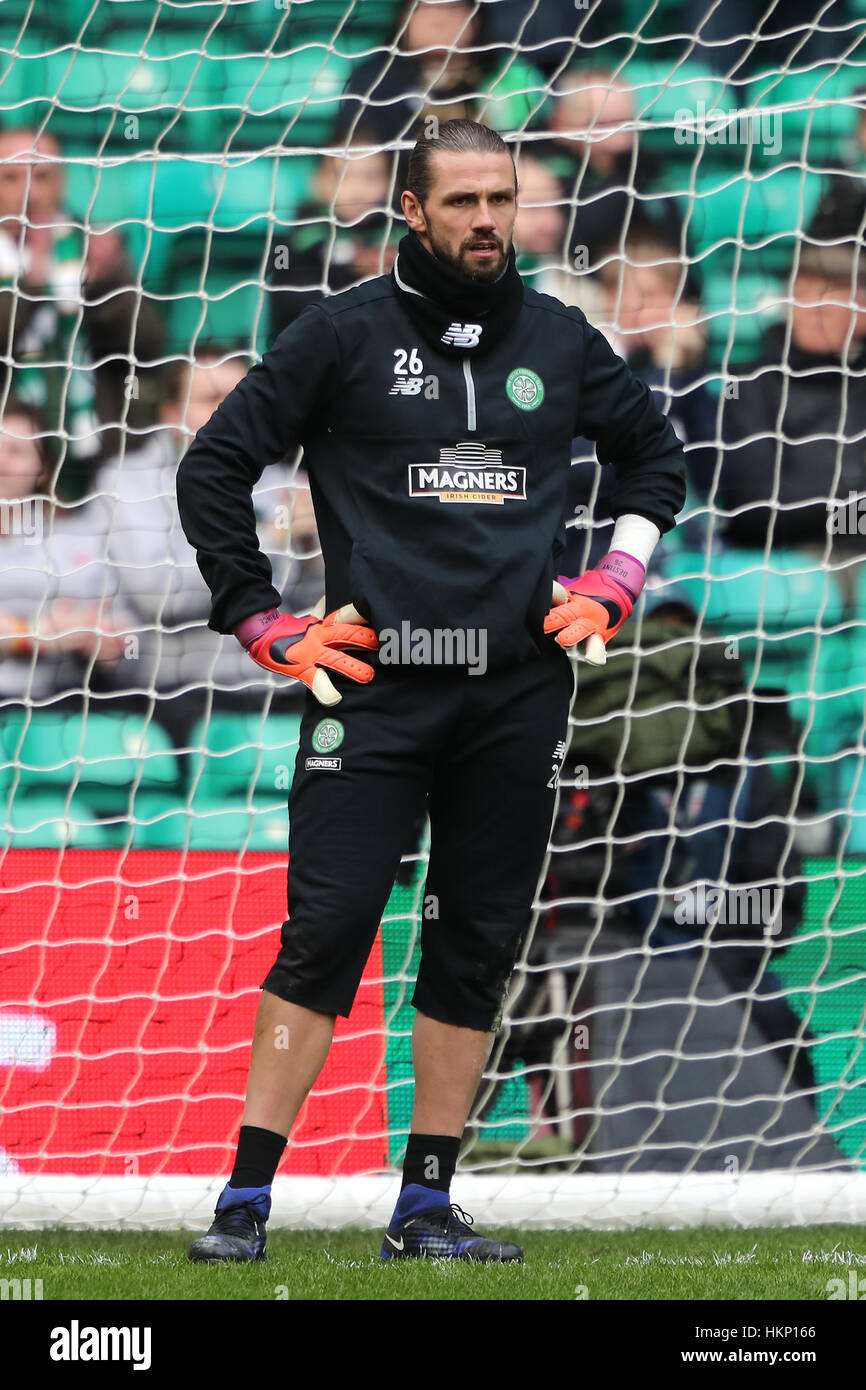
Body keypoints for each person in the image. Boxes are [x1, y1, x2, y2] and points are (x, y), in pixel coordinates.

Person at [176, 119, 686, 1264]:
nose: (485, 222)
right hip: (372, 691)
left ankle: (425, 1202)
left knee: (473, 945)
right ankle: (243, 1202)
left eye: (498, 200)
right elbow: (213, 465)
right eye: (460, 202)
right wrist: (262, 620)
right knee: (327, 931)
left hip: (514, 696)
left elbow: (657, 459)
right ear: (409, 209)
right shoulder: (339, 335)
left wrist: (611, 579)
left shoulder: (558, 339)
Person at [87, 346, 323, 743]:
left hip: (280, 686)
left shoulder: (282, 479)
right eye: (212, 399)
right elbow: (160, 592)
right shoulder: (126, 482)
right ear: (169, 414)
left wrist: (317, 545)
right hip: (174, 698)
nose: (231, 411)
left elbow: (315, 602)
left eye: (240, 398)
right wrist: (277, 537)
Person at [0, 127, 165, 499]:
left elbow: (149, 344)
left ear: (62, 182)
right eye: (11, 176)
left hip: (97, 449)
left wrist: (106, 285)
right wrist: (32, 283)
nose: (28, 190)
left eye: (41, 176)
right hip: (8, 455)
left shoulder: (94, 246)